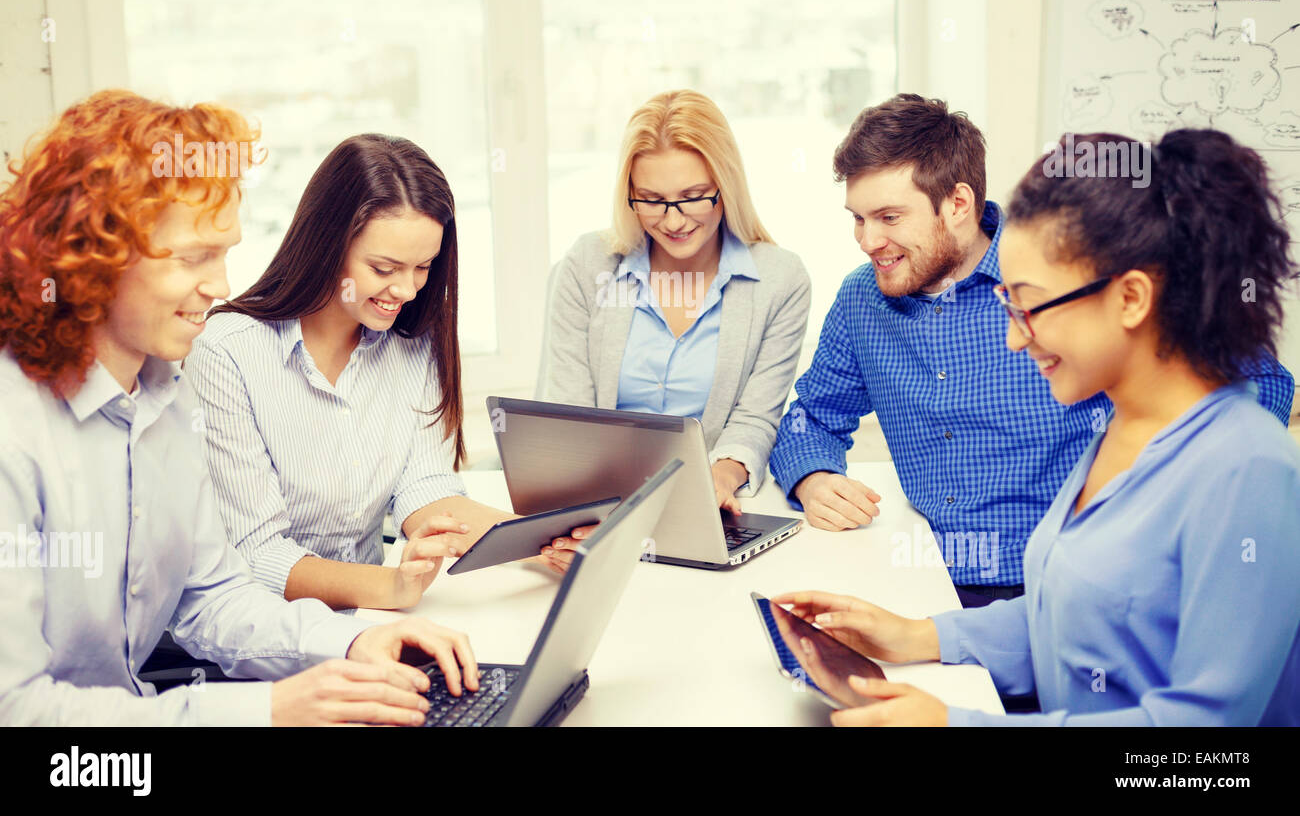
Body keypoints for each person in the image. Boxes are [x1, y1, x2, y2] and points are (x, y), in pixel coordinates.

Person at [775, 128, 1300, 726]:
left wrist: (958, 725)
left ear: (1130, 299)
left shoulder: (1243, 468)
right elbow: (1071, 615)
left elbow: (1204, 743)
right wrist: (915, 635)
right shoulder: (1117, 428)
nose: (1012, 336)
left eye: (1030, 306)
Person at [0, 91, 478, 724]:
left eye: (223, 253)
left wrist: (354, 641)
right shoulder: (16, 430)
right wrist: (267, 712)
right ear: (90, 257)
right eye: (192, 258)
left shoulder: (166, 397)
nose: (222, 286)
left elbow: (212, 600)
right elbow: (15, 708)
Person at [188, 134, 569, 612]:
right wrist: (389, 586)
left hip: (374, 620)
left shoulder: (411, 344)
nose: (407, 289)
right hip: (269, 634)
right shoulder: (226, 353)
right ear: (327, 244)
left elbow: (426, 494)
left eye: (423, 267)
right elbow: (257, 554)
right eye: (384, 267)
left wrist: (546, 543)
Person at [542, 88, 811, 540]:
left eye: (692, 196)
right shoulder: (589, 265)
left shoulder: (780, 280)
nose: (673, 220)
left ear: (725, 187)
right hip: (597, 513)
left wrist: (721, 478)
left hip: (705, 513)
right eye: (650, 199)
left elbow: (756, 418)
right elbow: (570, 412)